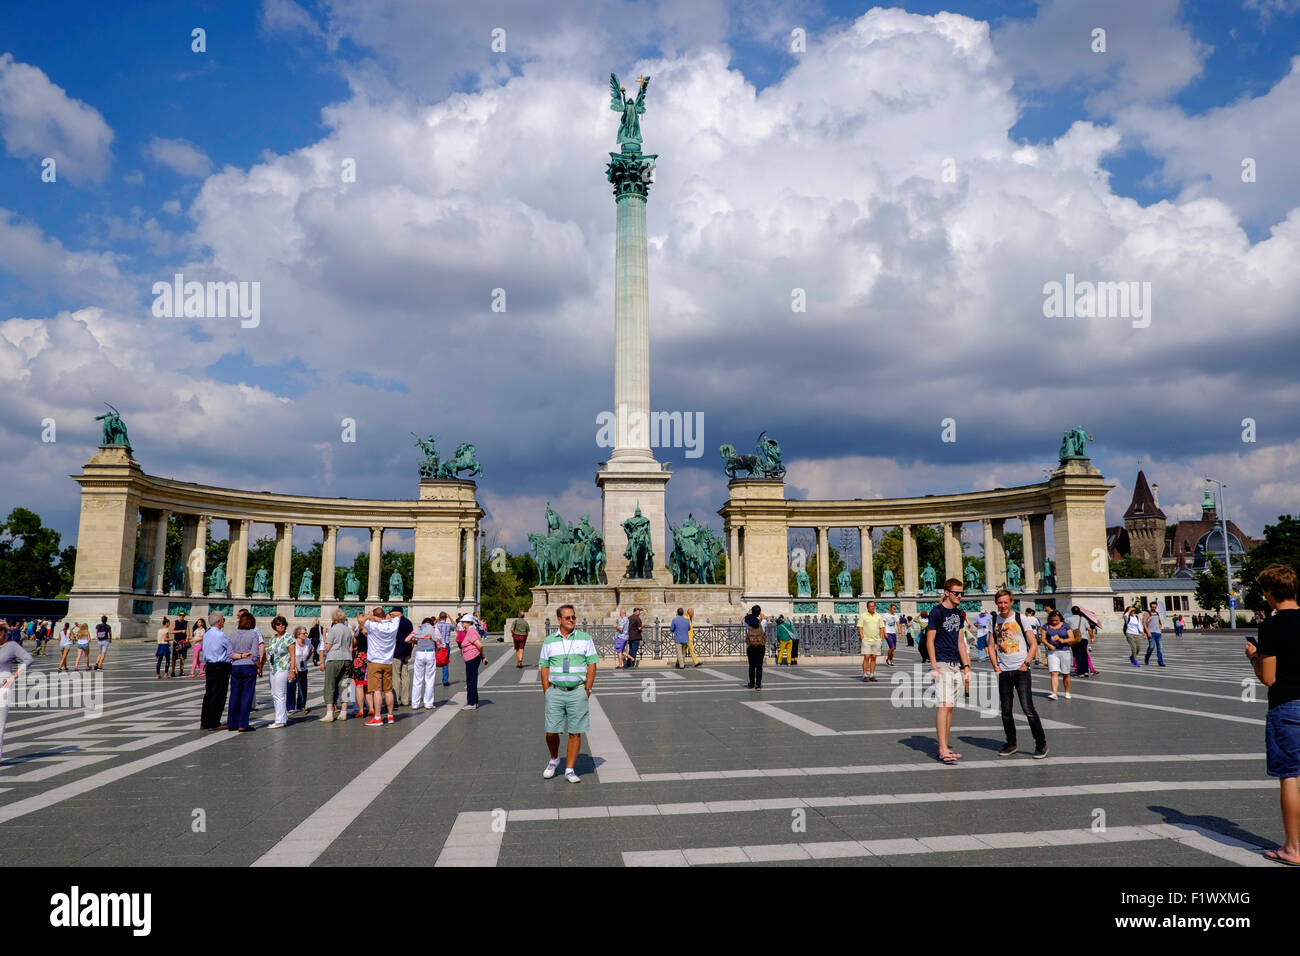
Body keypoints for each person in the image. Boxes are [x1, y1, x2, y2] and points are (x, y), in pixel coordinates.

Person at [1246, 564, 1300, 866]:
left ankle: (1293, 847)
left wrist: (1253, 655)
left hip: (1288, 705)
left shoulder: (1271, 626)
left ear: (1269, 592)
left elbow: (1268, 678)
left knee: (1290, 776)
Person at [539, 604, 598, 784]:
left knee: (575, 732)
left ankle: (569, 769)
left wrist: (587, 689)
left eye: (573, 617)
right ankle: (554, 758)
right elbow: (544, 666)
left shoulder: (585, 638)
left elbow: (592, 664)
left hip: (577, 691)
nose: (572, 620)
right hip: (555, 691)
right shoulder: (549, 641)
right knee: (551, 732)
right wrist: (547, 690)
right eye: (567, 618)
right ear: (559, 620)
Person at [988, 589, 1047, 759]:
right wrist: (995, 666)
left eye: (1006, 602)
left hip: (1021, 670)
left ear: (1011, 602)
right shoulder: (993, 620)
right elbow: (991, 645)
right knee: (1006, 711)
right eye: (1000, 603)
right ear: (996, 603)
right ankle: (1011, 743)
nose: (1003, 605)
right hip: (1004, 671)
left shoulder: (1021, 619)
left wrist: (1026, 663)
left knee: (1028, 708)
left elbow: (1033, 643)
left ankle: (1041, 743)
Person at [925, 579, 973, 764]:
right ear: (947, 592)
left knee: (950, 706)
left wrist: (966, 665)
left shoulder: (960, 614)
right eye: (956, 593)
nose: (960, 596)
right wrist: (934, 665)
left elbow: (961, 641)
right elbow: (930, 640)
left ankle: (945, 746)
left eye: (962, 593)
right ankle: (942, 748)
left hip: (955, 664)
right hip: (942, 662)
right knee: (943, 705)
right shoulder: (937, 612)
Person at [357, 608, 401, 725]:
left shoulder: (372, 625)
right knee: (388, 690)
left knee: (376, 691)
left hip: (375, 662)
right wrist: (388, 616)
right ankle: (390, 716)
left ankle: (378, 717)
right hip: (388, 662)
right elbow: (398, 614)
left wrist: (371, 617)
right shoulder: (393, 625)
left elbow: (360, 619)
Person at [0, 623, 35, 763]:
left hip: (4, 684)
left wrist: (14, 676)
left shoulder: (11, 646)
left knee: (0, 722)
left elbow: (29, 659)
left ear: (3, 632)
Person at [226, 610, 263, 732]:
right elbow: (255, 655)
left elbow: (229, 653)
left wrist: (240, 656)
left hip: (236, 666)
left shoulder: (233, 635)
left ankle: (231, 723)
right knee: (246, 696)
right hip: (248, 667)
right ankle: (243, 723)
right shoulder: (253, 635)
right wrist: (259, 667)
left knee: (234, 695)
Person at [318, 610, 353, 721]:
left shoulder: (332, 630)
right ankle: (343, 712)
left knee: (330, 685)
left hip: (334, 658)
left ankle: (329, 713)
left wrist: (324, 636)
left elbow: (327, 647)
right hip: (347, 658)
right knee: (344, 685)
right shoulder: (348, 630)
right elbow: (351, 647)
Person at [199, 613, 231, 731]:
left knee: (209, 694)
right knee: (219, 695)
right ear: (218, 622)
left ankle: (205, 721)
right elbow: (231, 647)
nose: (223, 621)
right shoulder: (221, 635)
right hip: (220, 666)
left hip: (210, 666)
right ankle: (214, 722)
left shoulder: (207, 634)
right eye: (223, 619)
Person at [264, 616, 294, 729]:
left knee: (280, 694)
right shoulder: (272, 638)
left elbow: (292, 656)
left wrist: (292, 671)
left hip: (283, 668)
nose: (280, 626)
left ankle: (279, 720)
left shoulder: (288, 638)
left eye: (282, 624)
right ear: (274, 626)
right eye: (278, 624)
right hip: (273, 668)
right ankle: (283, 716)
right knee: (274, 693)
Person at [411, 617, 441, 710]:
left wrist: (419, 642)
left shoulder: (420, 629)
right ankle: (428, 703)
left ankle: (415, 704)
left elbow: (413, 639)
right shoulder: (434, 630)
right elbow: (439, 642)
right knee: (430, 679)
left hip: (420, 653)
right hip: (430, 653)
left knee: (417, 679)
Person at [1042, 609, 1073, 700]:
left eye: (1056, 620)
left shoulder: (1065, 626)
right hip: (1052, 652)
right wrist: (1049, 645)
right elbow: (1043, 638)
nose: (1054, 622)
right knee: (1054, 672)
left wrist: (1063, 640)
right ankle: (1054, 693)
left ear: (1060, 619)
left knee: (1066, 673)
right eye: (1052, 620)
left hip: (1064, 651)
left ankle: (1067, 691)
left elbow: (1072, 638)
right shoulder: (1046, 626)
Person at [457, 613, 485, 710]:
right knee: (472, 679)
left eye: (463, 622)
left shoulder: (471, 631)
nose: (462, 624)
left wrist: (483, 656)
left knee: (471, 680)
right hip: (472, 658)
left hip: (472, 658)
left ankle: (471, 703)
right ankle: (475, 701)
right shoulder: (470, 631)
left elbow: (480, 645)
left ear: (468, 623)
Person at [391, 609, 414, 709]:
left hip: (397, 651)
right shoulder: (408, 622)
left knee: (395, 676)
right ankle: (405, 699)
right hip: (406, 651)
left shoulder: (396, 622)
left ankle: (395, 700)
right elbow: (412, 636)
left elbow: (394, 638)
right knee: (405, 675)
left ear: (397, 613)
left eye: (393, 612)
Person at [857, 599, 886, 682]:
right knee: (866, 656)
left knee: (874, 657)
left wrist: (880, 638)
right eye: (871, 606)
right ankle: (865, 674)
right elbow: (860, 626)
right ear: (867, 607)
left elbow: (882, 627)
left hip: (876, 639)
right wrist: (862, 637)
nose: (873, 608)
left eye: (874, 606)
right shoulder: (863, 615)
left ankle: (872, 674)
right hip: (866, 639)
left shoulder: (878, 616)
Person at [1068, 606, 1096, 678]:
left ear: (1072, 611)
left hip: (1075, 639)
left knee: (1077, 655)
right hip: (1084, 639)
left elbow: (1066, 629)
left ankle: (1080, 672)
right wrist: (1091, 637)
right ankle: (1086, 671)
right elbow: (1089, 629)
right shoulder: (1083, 619)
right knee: (1084, 655)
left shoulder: (1068, 619)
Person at [744, 605, 767, 689]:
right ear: (759, 612)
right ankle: (758, 684)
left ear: (752, 612)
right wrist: (760, 614)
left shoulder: (747, 621)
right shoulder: (763, 622)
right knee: (759, 666)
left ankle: (751, 683)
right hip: (760, 645)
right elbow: (764, 617)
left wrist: (748, 613)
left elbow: (743, 619)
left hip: (750, 645)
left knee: (751, 666)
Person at [290, 626, 312, 713]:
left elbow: (310, 651)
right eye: (303, 633)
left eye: (306, 633)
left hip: (303, 667)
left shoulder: (307, 642)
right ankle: (291, 706)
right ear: (298, 634)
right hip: (294, 667)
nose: (305, 635)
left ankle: (302, 705)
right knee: (292, 687)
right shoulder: (293, 642)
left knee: (303, 687)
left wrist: (310, 654)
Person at [1143, 601, 1166, 667]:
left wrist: (1160, 628)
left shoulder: (1157, 613)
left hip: (1158, 633)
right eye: (1153, 607)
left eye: (1155, 607)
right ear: (1150, 607)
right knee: (1151, 647)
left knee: (1160, 648)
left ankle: (1160, 661)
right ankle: (1147, 657)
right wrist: (1148, 632)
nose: (1154, 608)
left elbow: (1159, 622)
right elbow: (1144, 623)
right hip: (1151, 633)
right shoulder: (1147, 613)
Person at [436, 612, 454, 686]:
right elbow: (455, 625)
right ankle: (445, 680)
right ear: (446, 618)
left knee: (433, 663)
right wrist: (450, 617)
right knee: (445, 663)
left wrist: (437, 619)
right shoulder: (448, 625)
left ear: (440, 617)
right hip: (446, 646)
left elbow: (431, 625)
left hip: (437, 646)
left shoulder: (436, 625)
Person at [169, 611, 189, 677]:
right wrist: (180, 631)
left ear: (184, 616)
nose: (181, 616)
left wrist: (187, 640)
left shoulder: (186, 623)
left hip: (183, 642)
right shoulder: (175, 622)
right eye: (180, 615)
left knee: (182, 658)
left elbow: (188, 632)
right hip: (177, 642)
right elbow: (171, 631)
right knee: (174, 658)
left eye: (183, 615)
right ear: (179, 616)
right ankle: (173, 671)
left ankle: (181, 671)